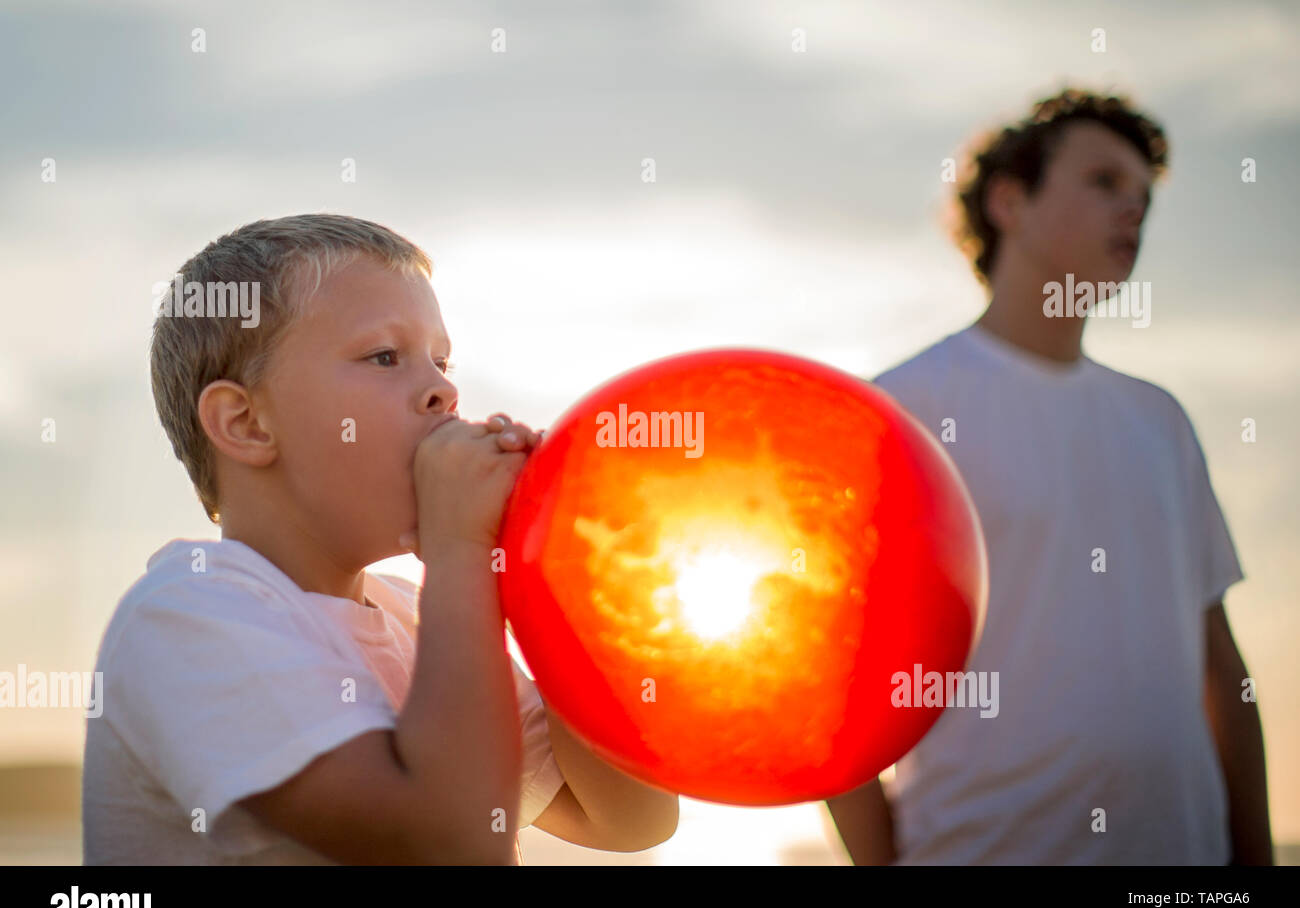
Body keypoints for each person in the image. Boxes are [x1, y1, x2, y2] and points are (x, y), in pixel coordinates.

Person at [83, 213, 679, 864]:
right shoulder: (189, 614)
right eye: (385, 357)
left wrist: (557, 574)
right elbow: (448, 842)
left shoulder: (417, 623)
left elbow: (630, 818)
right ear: (248, 423)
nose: (444, 391)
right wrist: (461, 554)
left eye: (442, 361)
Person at [827, 89, 1273, 865]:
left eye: (1143, 196)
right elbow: (834, 676)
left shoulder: (1160, 419)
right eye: (1104, 182)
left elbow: (1219, 665)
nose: (1133, 211)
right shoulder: (899, 410)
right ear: (1008, 201)